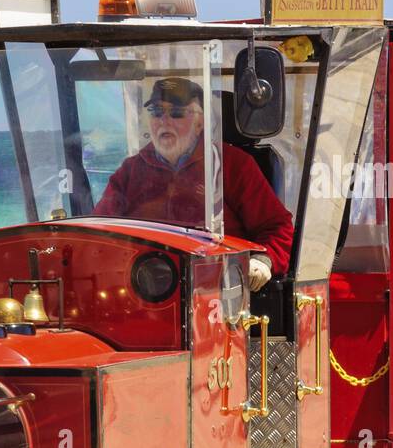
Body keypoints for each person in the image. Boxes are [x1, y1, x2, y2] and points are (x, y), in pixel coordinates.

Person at [93, 77, 294, 290]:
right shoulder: (130, 171)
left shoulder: (233, 165)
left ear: (201, 123)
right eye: (156, 112)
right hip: (143, 292)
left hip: (217, 295)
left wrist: (262, 260)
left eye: (177, 113)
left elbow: (277, 227)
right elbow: (99, 232)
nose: (164, 121)